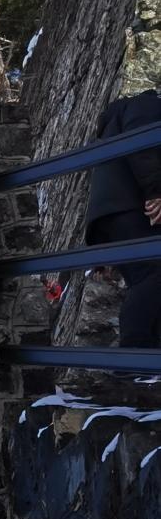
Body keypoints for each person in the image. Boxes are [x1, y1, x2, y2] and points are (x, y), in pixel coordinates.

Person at [86, 88, 161, 347]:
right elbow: (143, 145)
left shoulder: (126, 113)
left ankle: (147, 355)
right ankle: (135, 355)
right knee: (153, 274)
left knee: (149, 279)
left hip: (117, 211)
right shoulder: (147, 104)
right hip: (129, 206)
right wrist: (156, 191)